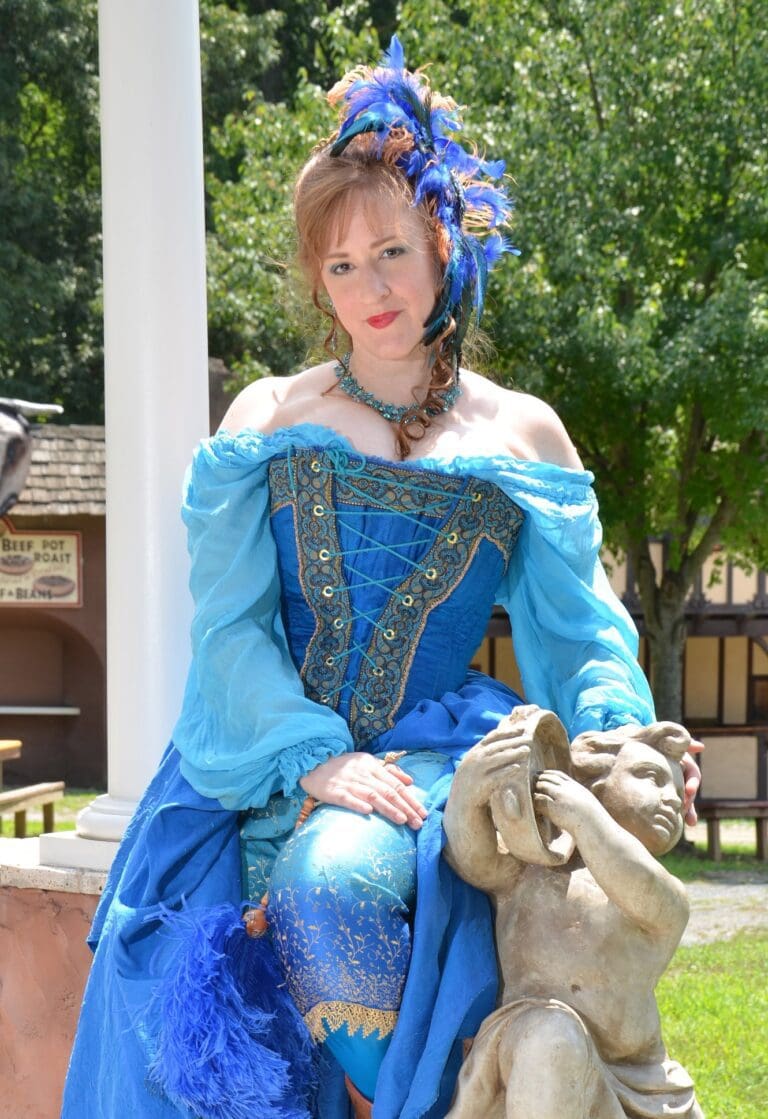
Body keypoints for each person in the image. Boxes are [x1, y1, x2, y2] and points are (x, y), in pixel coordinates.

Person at [62, 36, 700, 1119]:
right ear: (319, 277)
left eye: (393, 252)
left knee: (332, 879)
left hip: (438, 753)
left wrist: (622, 746)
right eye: (342, 265)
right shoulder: (267, 418)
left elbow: (581, 633)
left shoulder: (522, 436)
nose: (371, 288)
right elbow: (229, 627)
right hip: (265, 749)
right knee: (179, 993)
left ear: (444, 244)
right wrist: (311, 760)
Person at [443, 707, 704, 1119]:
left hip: (640, 1079)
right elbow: (471, 858)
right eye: (651, 778)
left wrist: (585, 816)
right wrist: (468, 788)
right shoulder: (530, 870)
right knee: (551, 1037)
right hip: (535, 1044)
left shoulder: (663, 894)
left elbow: (636, 882)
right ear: (588, 780)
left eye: (676, 788)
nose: (671, 798)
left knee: (555, 1039)